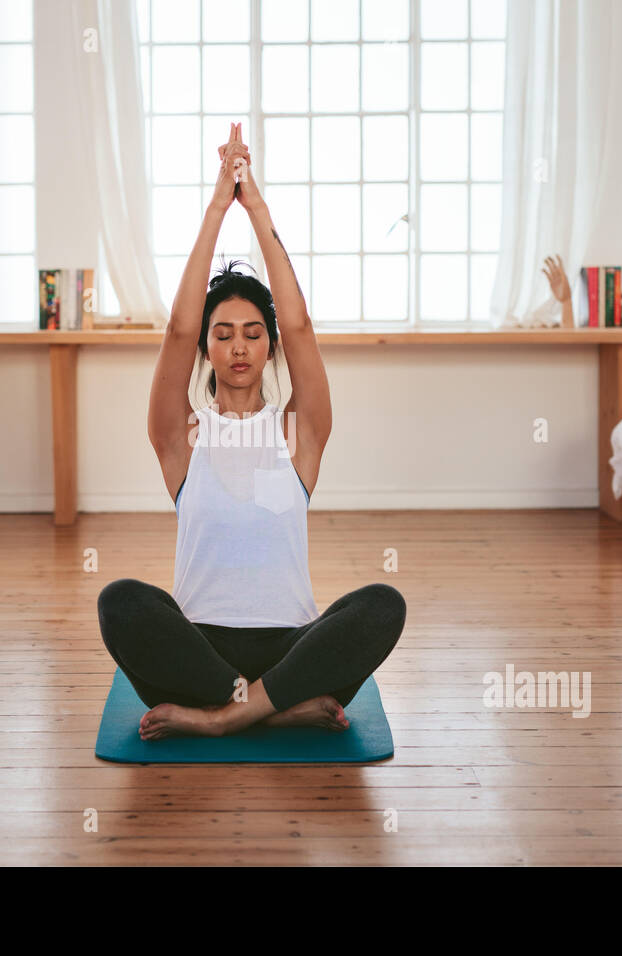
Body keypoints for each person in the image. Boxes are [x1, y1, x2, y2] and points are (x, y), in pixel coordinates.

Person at [97, 122, 406, 741]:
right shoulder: (181, 435)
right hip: (199, 651)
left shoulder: (298, 432)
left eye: (253, 333)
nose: (238, 346)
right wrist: (218, 204)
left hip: (292, 651)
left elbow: (302, 324)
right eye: (223, 333)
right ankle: (274, 710)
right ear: (207, 351)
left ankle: (227, 718)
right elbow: (177, 330)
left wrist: (255, 203)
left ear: (270, 349)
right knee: (121, 601)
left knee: (381, 605)